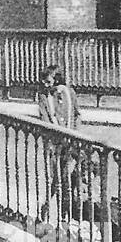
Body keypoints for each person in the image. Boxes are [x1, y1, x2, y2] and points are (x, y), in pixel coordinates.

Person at [34, 65, 84, 223]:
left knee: (68, 178)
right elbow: (44, 118)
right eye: (44, 82)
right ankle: (48, 209)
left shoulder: (70, 93)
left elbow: (77, 115)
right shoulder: (43, 96)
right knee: (57, 177)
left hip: (71, 143)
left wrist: (75, 135)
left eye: (48, 82)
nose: (45, 85)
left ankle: (63, 214)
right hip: (55, 144)